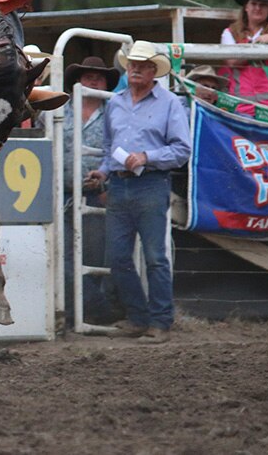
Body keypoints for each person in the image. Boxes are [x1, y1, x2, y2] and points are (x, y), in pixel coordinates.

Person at [87, 41, 191, 343]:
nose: (134, 69)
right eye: (132, 64)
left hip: (151, 184)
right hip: (120, 184)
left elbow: (182, 149)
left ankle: (159, 322)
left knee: (155, 256)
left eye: (141, 65)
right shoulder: (116, 103)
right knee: (118, 257)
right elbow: (109, 148)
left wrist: (147, 157)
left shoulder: (170, 103)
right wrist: (103, 172)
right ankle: (139, 317)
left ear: (152, 71)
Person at [62, 56, 122, 328]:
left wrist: (108, 185)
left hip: (97, 193)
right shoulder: (58, 109)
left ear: (106, 82)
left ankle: (85, 312)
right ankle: (88, 311)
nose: (93, 79)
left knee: (93, 256)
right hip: (60, 192)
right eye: (88, 75)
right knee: (64, 255)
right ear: (79, 79)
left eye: (99, 76)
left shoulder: (115, 112)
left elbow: (117, 151)